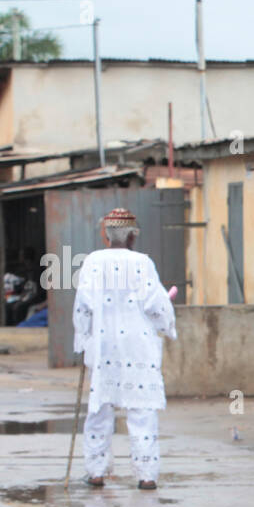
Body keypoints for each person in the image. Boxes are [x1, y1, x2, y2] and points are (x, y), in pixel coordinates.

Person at [72, 208, 176, 490]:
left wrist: (82, 338)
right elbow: (155, 304)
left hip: (104, 346)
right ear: (132, 235)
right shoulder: (143, 263)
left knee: (100, 409)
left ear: (106, 236)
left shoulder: (93, 261)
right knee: (142, 410)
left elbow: (83, 304)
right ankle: (146, 476)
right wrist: (167, 324)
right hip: (137, 347)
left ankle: (95, 472)